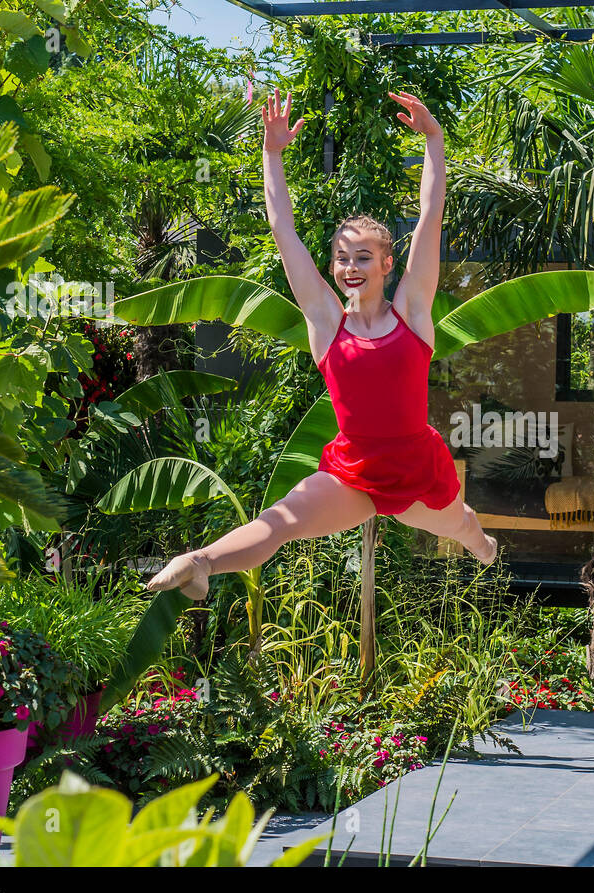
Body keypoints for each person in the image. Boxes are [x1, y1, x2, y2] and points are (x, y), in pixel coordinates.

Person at [146, 88, 496, 601]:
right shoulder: (325, 322)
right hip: (352, 475)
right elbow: (281, 228)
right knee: (280, 520)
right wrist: (271, 154)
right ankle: (200, 561)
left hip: (417, 472)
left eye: (362, 257)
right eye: (341, 258)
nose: (349, 268)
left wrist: (434, 140)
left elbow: (430, 218)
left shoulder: (412, 314)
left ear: (386, 265)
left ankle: (484, 545)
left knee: (461, 525)